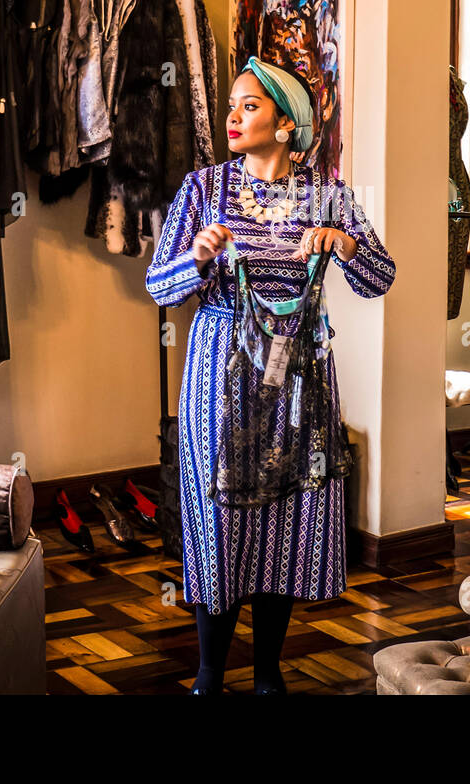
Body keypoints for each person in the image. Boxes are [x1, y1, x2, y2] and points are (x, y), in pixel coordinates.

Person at [145, 56, 395, 694]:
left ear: (287, 124)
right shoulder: (202, 190)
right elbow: (159, 286)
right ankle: (207, 673)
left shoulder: (329, 195)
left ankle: (267, 674)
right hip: (219, 372)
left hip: (299, 378)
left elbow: (379, 279)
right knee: (220, 520)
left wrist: (344, 245)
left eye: (248, 106)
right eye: (231, 105)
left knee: (285, 516)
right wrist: (198, 256)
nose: (231, 117)